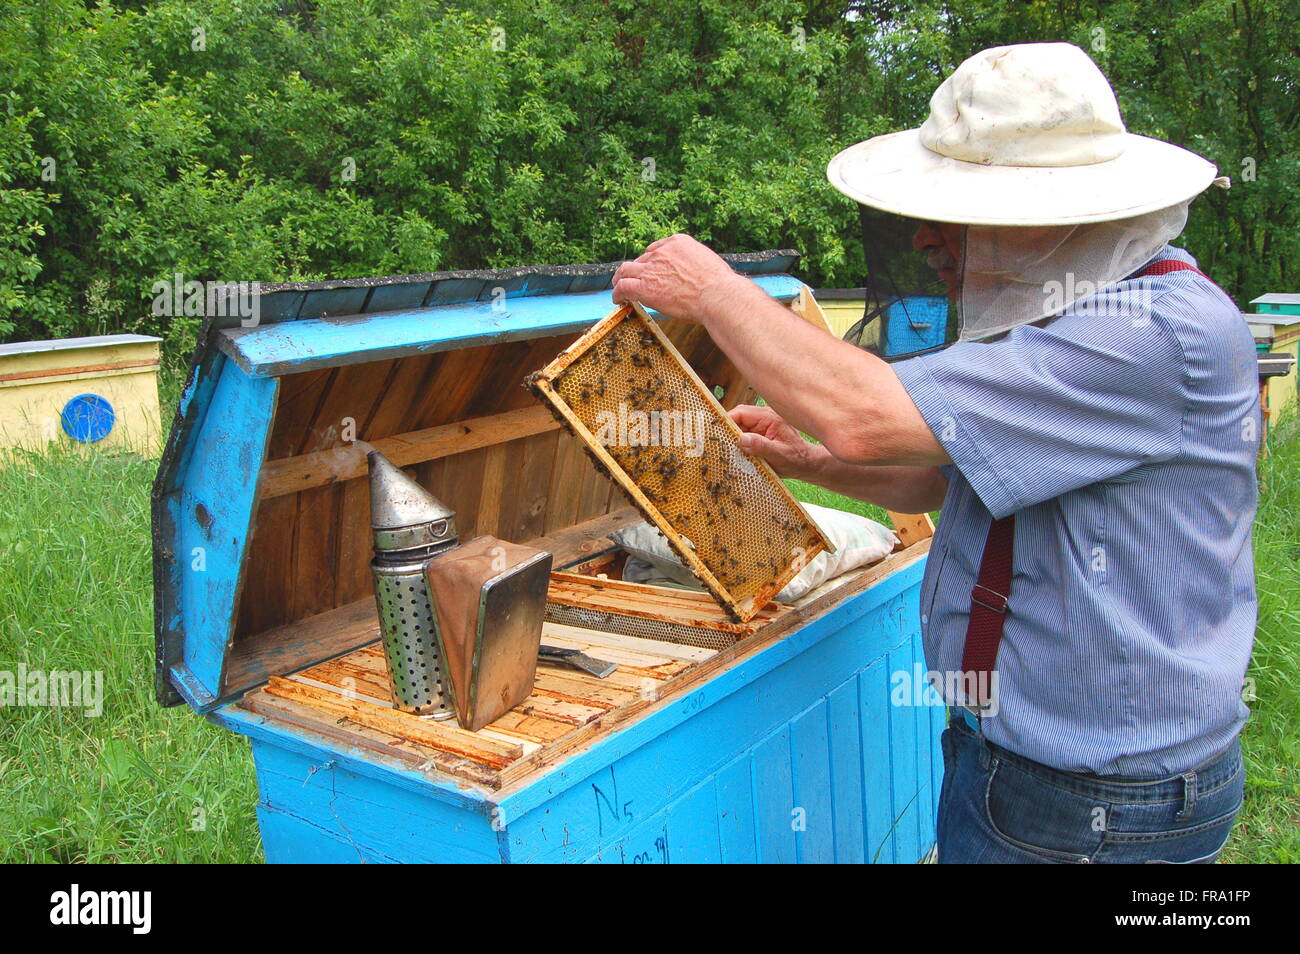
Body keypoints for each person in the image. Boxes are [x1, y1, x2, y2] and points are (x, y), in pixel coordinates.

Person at [610, 42, 1259, 864]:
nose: (926, 238)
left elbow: (867, 414)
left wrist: (713, 290)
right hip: (1031, 770)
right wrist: (812, 462)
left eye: (957, 215)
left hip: (1094, 804)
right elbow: (947, 472)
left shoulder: (1150, 334)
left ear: (1053, 213)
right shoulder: (1074, 311)